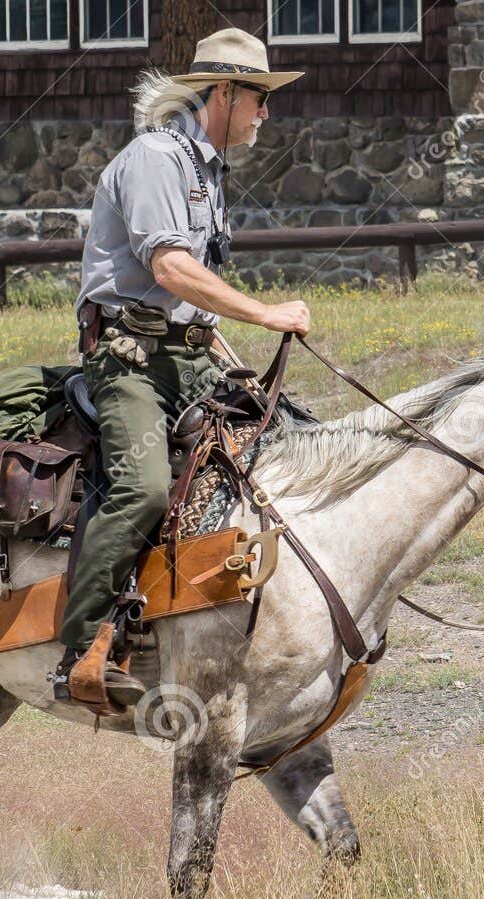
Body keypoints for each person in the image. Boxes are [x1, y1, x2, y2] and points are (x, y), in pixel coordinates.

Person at [56, 28, 312, 712]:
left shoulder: (202, 169)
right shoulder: (154, 159)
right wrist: (266, 312)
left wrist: (236, 362)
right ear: (222, 92)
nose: (266, 113)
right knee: (142, 489)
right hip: (131, 363)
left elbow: (184, 298)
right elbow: (169, 267)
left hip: (187, 357)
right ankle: (80, 649)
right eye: (259, 97)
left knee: (281, 444)